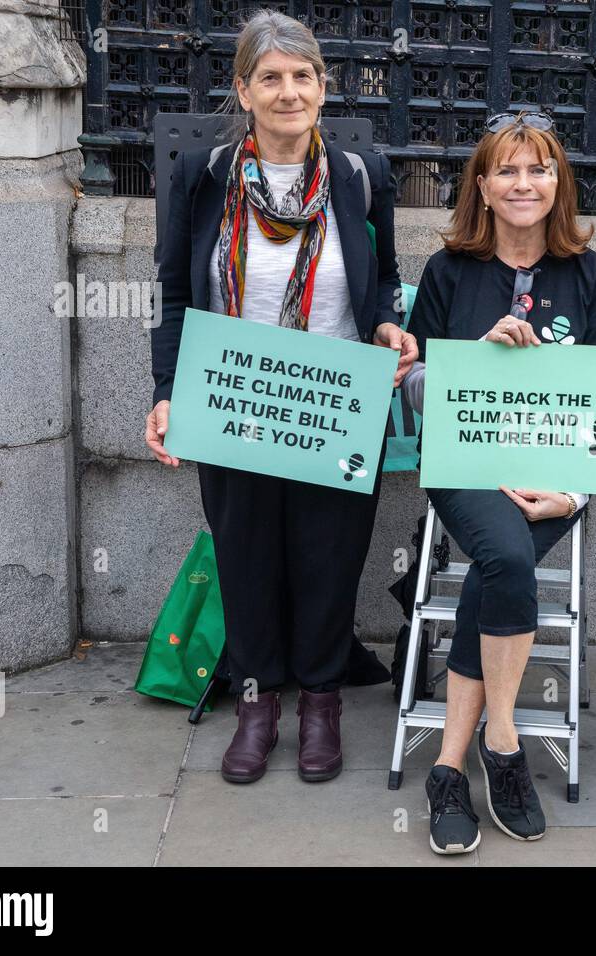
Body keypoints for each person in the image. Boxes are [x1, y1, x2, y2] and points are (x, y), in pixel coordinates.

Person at [144, 9, 416, 785]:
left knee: (331, 560)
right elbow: (172, 294)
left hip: (335, 402)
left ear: (323, 89)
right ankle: (259, 707)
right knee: (247, 556)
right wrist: (167, 393)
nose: (288, 91)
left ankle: (322, 703)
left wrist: (389, 326)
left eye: (303, 76)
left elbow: (384, 276)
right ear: (244, 89)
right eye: (271, 77)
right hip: (233, 402)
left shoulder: (363, 175)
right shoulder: (203, 179)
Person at [401, 111, 596, 854]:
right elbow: (415, 386)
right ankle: (501, 743)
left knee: (502, 562)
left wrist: (576, 495)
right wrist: (476, 356)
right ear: (483, 187)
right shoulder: (449, 271)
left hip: (553, 478)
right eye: (507, 170)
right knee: (505, 557)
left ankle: (447, 772)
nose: (523, 183)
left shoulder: (590, 275)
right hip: (466, 465)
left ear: (558, 183)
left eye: (539, 169)